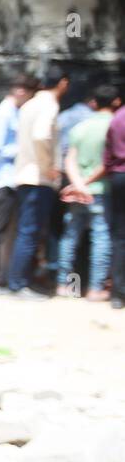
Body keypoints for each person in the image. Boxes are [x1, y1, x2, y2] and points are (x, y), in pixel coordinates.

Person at [7, 71, 70, 299]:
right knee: (30, 232)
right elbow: (41, 136)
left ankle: (20, 280)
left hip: (25, 175)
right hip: (38, 178)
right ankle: (18, 284)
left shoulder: (29, 105)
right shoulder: (49, 105)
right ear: (63, 83)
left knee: (26, 231)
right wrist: (49, 167)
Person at [57, 85, 121, 300]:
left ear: (93, 103)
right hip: (100, 190)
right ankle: (95, 289)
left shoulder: (81, 126)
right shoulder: (114, 126)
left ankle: (65, 286)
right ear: (116, 102)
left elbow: (69, 159)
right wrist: (86, 183)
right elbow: (108, 163)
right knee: (101, 239)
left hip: (76, 191)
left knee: (71, 236)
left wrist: (77, 184)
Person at [0, 75, 37, 293]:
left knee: (3, 232)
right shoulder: (3, 114)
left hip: (10, 180)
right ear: (21, 91)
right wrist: (24, 150)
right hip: (1, 180)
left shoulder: (14, 113)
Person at [105, 102, 125, 309]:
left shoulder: (117, 117)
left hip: (119, 176)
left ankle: (118, 293)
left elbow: (108, 153)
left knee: (120, 236)